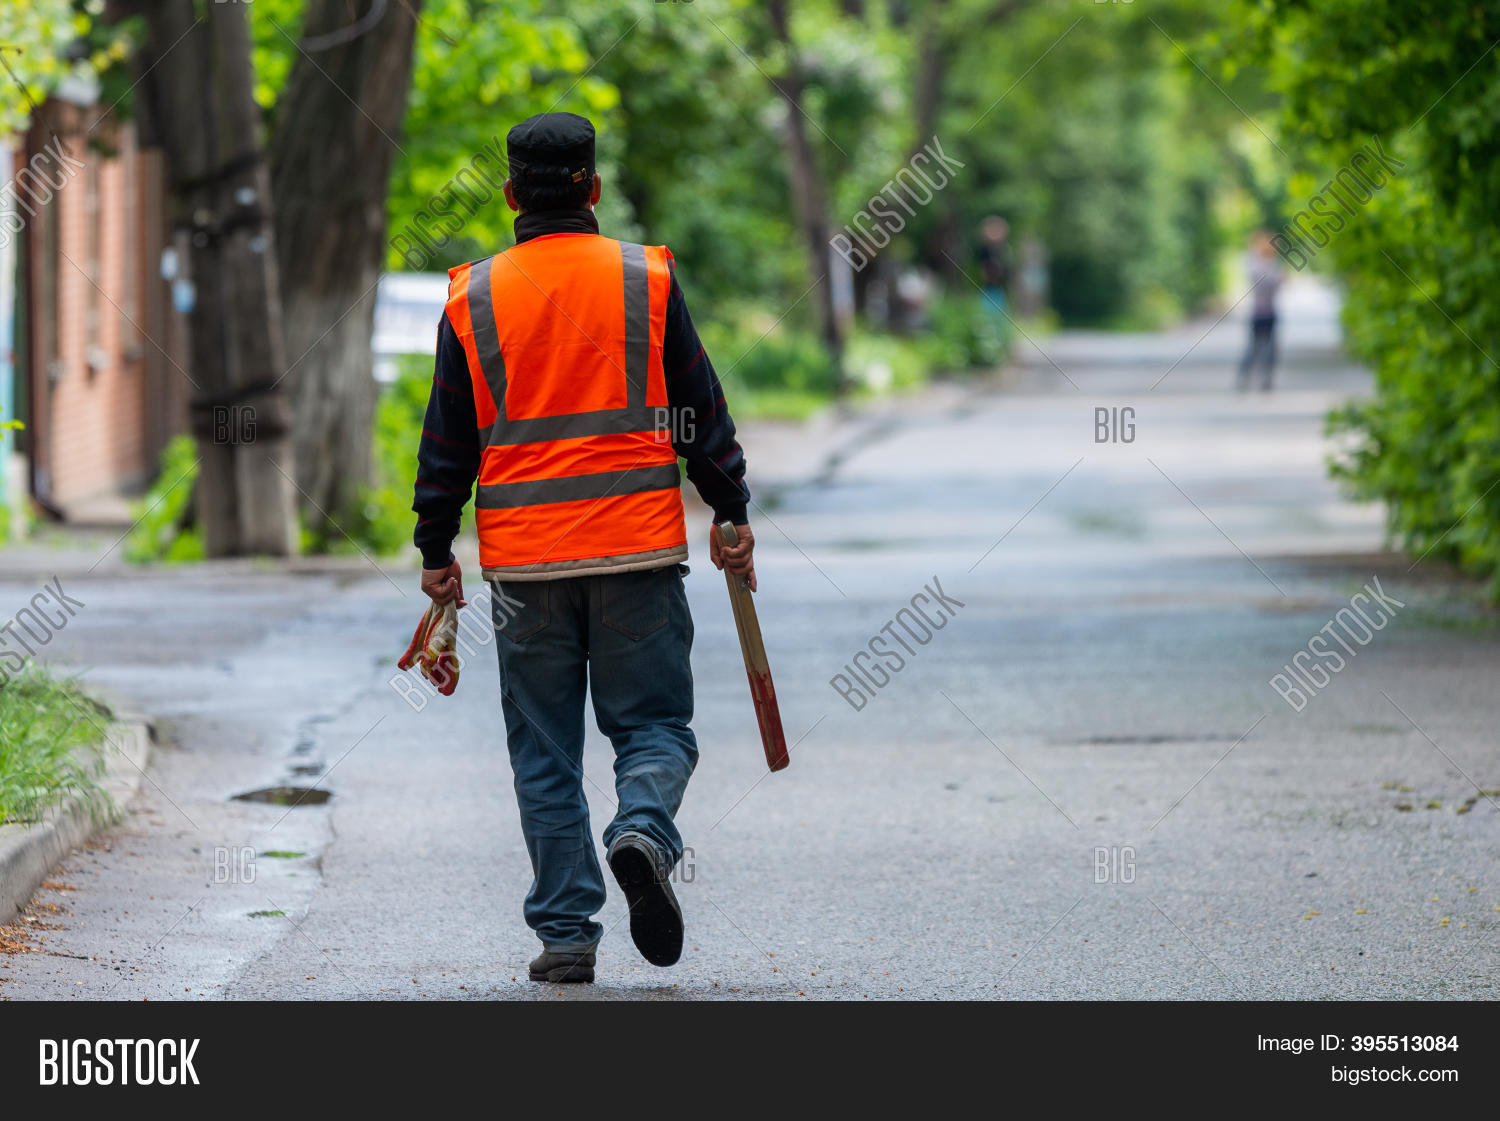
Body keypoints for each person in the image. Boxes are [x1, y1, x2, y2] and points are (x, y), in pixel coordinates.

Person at [410, 112, 755, 984]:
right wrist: (730, 506)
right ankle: (642, 828)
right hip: (637, 553)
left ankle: (567, 934)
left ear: (510, 194)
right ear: (594, 188)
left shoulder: (474, 296)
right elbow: (698, 409)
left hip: (527, 566)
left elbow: (447, 436)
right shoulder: (645, 278)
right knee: (655, 727)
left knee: (545, 752)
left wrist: (435, 545)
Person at [1237, 230, 1284, 392]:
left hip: (1270, 311)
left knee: (1271, 349)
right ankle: (1244, 377)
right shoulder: (1254, 263)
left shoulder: (1273, 263)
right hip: (1257, 312)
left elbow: (1277, 282)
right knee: (1254, 348)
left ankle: (1266, 379)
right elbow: (1266, 281)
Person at [976, 215, 1012, 317]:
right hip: (988, 286)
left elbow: (1006, 267)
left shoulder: (1003, 250)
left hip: (999, 286)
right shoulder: (985, 251)